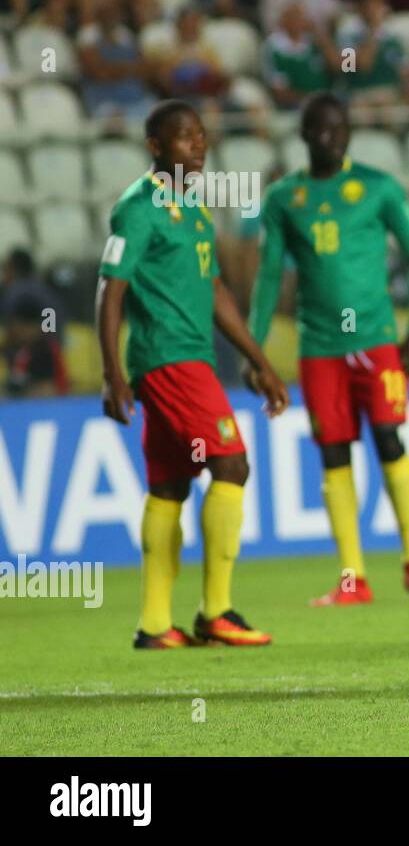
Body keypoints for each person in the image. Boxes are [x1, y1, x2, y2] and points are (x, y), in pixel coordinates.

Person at [96, 99, 287, 650]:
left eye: (201, 135)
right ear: (155, 147)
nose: (198, 145)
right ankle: (216, 611)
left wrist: (259, 358)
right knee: (232, 462)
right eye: (184, 137)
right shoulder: (137, 207)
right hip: (168, 359)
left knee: (169, 484)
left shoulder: (196, 210)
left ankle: (156, 624)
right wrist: (113, 373)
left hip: (189, 358)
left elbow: (216, 292)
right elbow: (112, 290)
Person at [249, 92, 409, 606]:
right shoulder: (284, 199)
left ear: (349, 133)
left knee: (388, 440)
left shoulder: (377, 188)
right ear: (305, 135)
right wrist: (255, 347)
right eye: (319, 129)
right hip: (319, 349)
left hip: (378, 345)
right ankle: (353, 577)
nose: (329, 136)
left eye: (338, 128)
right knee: (333, 453)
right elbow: (269, 277)